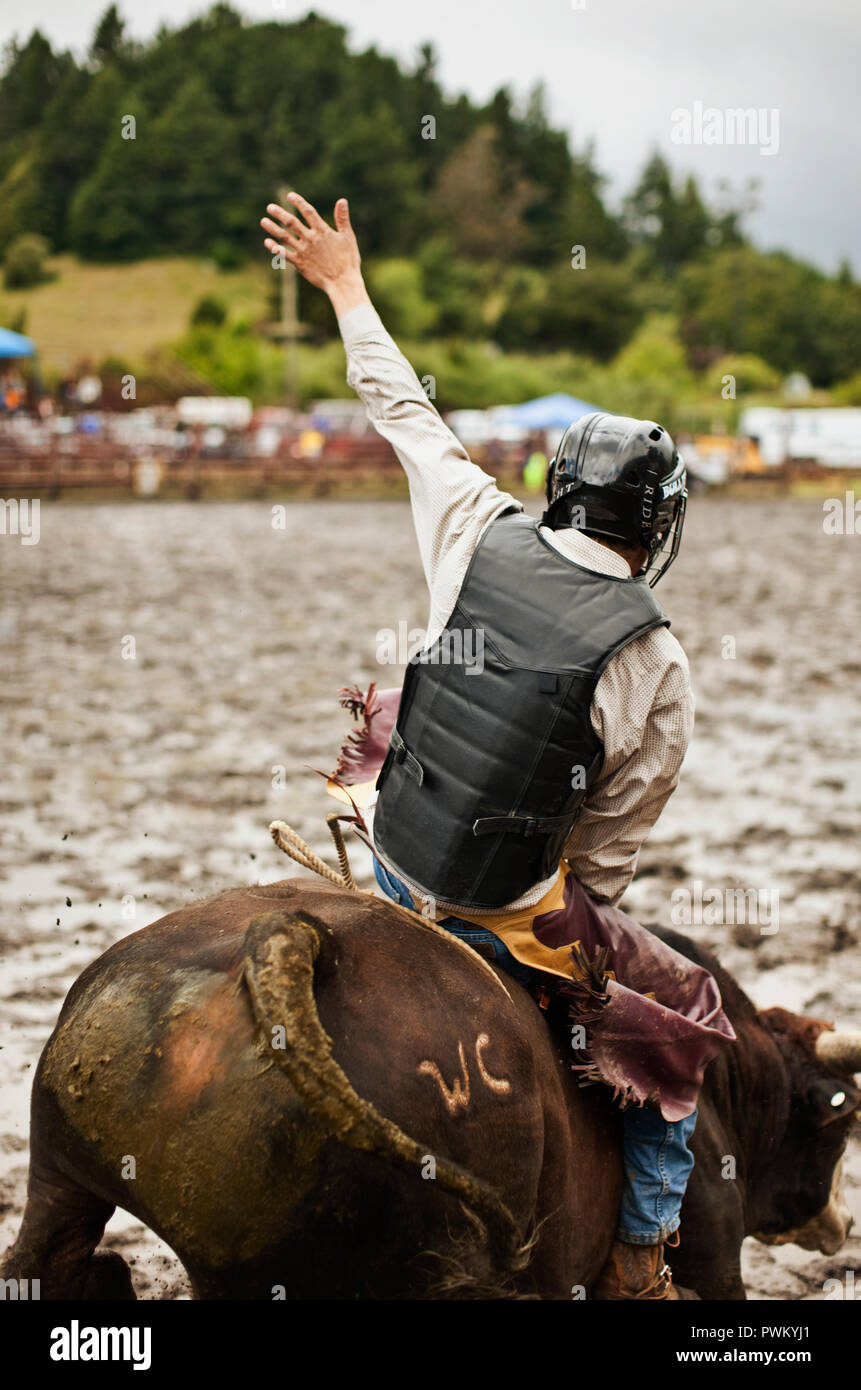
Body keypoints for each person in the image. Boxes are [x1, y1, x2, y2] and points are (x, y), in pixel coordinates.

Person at [261, 193, 735, 1300]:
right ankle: (639, 1253)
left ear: (560, 490)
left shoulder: (477, 519)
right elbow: (607, 855)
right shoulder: (658, 663)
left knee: (393, 713)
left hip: (392, 850)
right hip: (504, 909)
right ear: (655, 529)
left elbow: (401, 405)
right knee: (689, 1019)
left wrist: (343, 283)